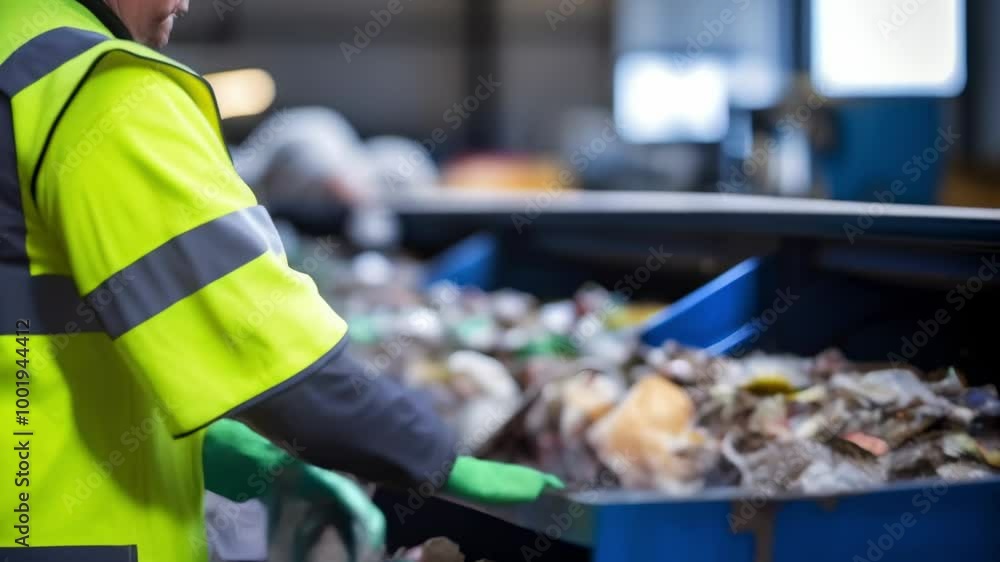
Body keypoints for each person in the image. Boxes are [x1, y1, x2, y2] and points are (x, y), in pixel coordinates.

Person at [0, 2, 562, 561]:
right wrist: (436, 456)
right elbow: (264, 341)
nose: (184, 3)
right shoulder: (95, 87)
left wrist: (218, 443)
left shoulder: (15, 53)